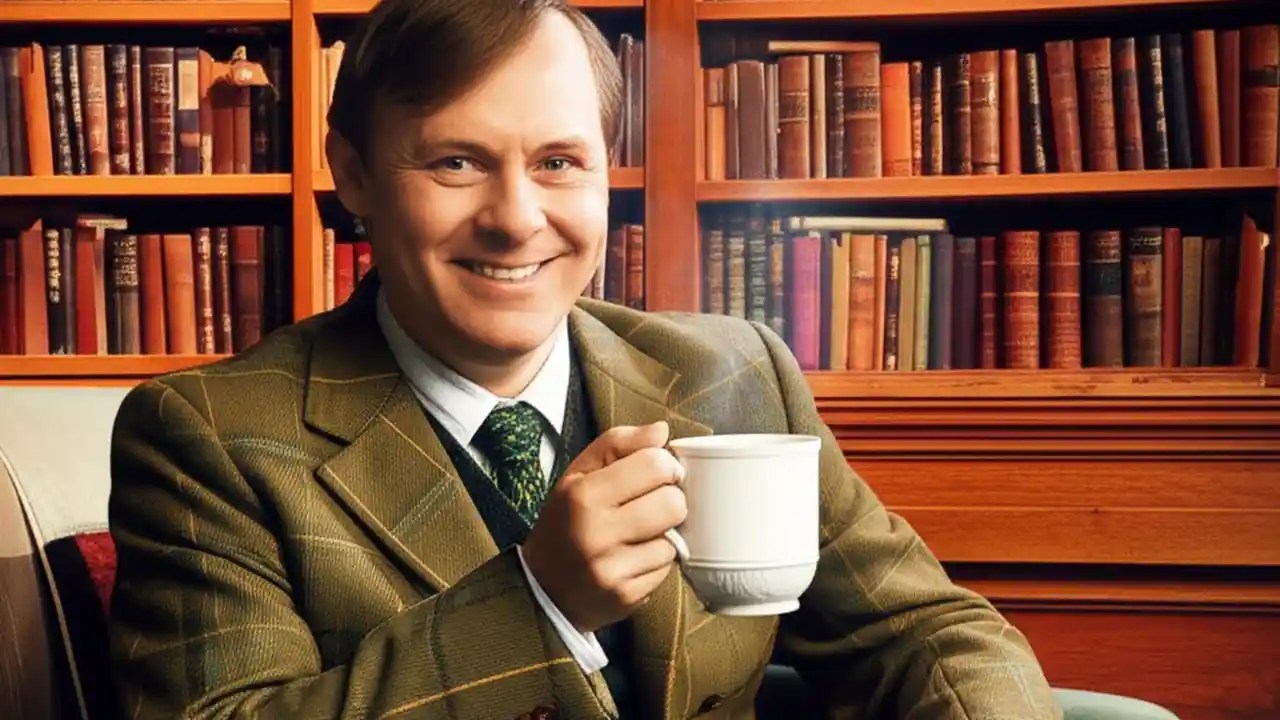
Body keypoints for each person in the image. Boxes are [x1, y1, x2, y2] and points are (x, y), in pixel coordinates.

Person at [106, 0, 1063, 717]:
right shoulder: (209, 437)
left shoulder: (734, 373)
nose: (518, 218)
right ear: (351, 170)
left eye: (560, 163)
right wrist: (538, 602)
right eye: (455, 162)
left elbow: (925, 634)